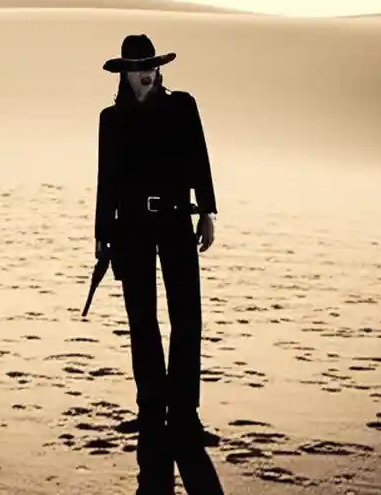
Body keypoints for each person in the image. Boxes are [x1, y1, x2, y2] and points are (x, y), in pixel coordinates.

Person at [95, 33, 226, 495]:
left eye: (149, 65)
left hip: (174, 220)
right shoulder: (111, 120)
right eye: (136, 66)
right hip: (130, 227)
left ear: (156, 68)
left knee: (187, 318)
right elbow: (105, 180)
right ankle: (151, 410)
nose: (144, 72)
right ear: (125, 74)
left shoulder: (182, 107)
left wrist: (207, 211)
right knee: (142, 320)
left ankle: (184, 414)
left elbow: (199, 159)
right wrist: (101, 236)